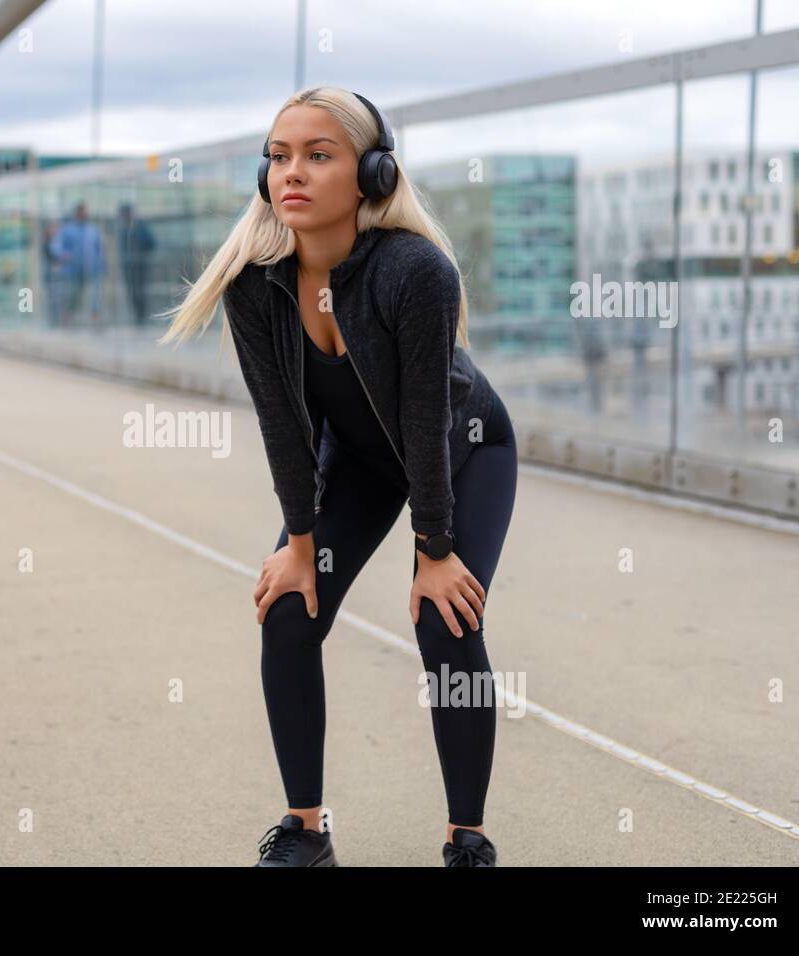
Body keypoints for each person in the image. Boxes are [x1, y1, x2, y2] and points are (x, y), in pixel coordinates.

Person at [157, 87, 517, 867]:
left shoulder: (413, 271)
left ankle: (468, 839)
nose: (293, 173)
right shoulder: (256, 283)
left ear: (373, 174)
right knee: (288, 609)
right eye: (279, 157)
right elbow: (284, 425)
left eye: (319, 156)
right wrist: (298, 539)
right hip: (358, 462)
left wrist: (435, 549)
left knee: (445, 620)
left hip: (464, 451)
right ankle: (305, 833)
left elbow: (426, 423)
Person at [49, 202, 106, 330]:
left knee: (94, 297)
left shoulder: (93, 230)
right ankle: (68, 320)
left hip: (93, 270)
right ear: (76, 213)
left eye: (86, 212)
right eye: (82, 212)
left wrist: (102, 267)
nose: (84, 215)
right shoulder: (67, 229)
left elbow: (100, 249)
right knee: (73, 296)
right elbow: (55, 247)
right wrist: (64, 255)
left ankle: (95, 321)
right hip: (72, 271)